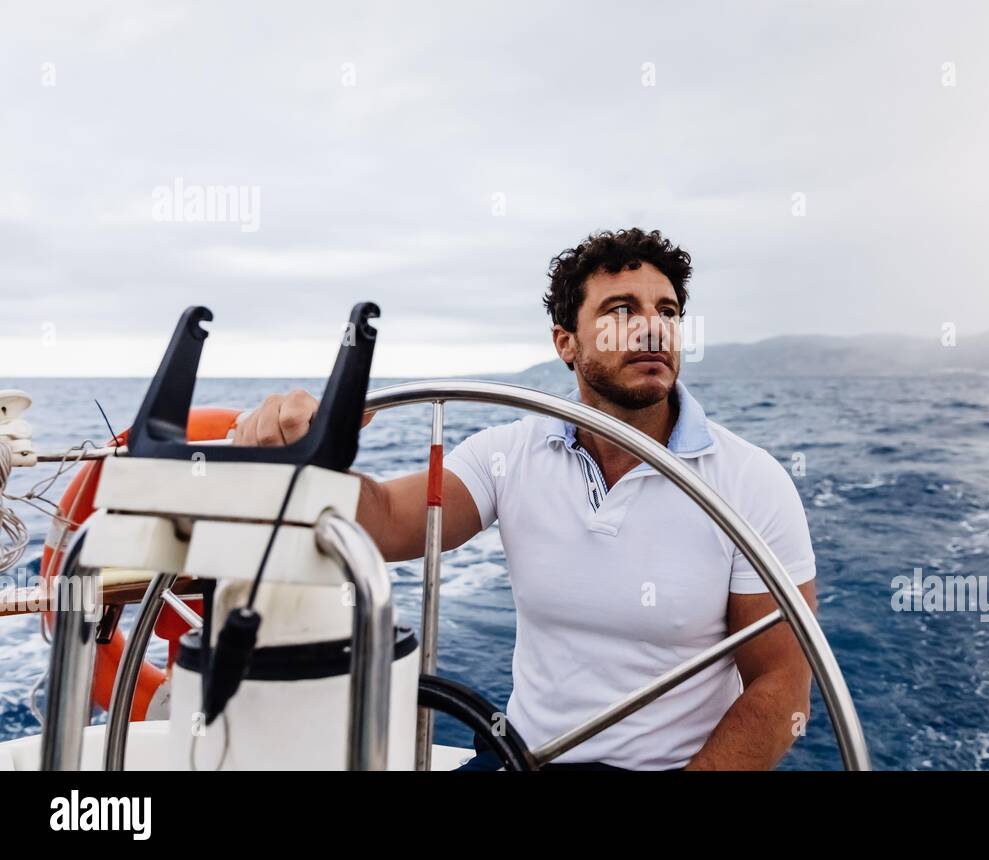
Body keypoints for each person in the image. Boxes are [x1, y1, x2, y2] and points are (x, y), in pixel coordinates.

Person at [233, 228, 817, 770]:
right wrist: (308, 456)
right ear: (566, 343)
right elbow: (386, 523)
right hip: (523, 758)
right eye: (621, 311)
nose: (652, 328)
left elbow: (780, 683)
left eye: (667, 312)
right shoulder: (509, 455)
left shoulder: (750, 482)